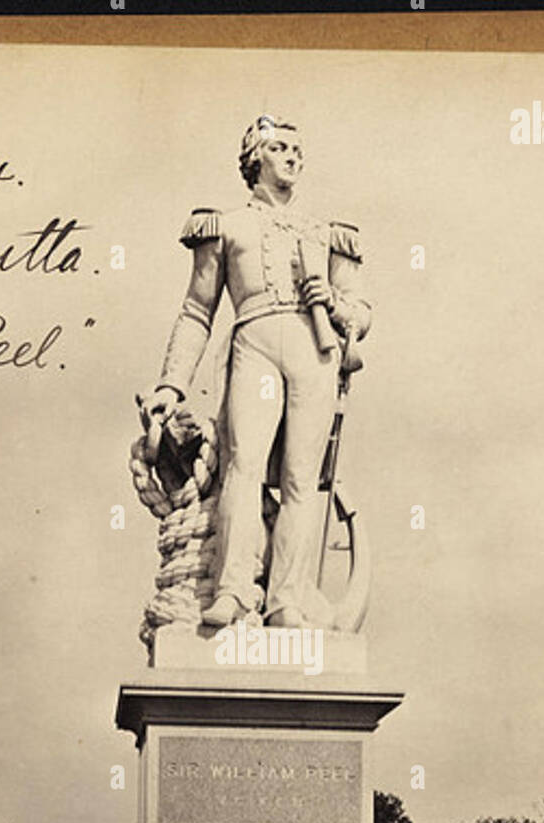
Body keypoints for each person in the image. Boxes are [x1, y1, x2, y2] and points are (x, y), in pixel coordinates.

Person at [138, 115, 371, 628]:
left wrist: (335, 303)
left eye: (298, 150)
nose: (293, 157)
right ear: (254, 158)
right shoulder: (224, 225)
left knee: (302, 480)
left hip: (316, 351)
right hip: (255, 340)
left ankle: (287, 598)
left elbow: (362, 312)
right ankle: (235, 590)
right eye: (281, 148)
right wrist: (171, 385)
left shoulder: (328, 233)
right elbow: (198, 310)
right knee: (241, 469)